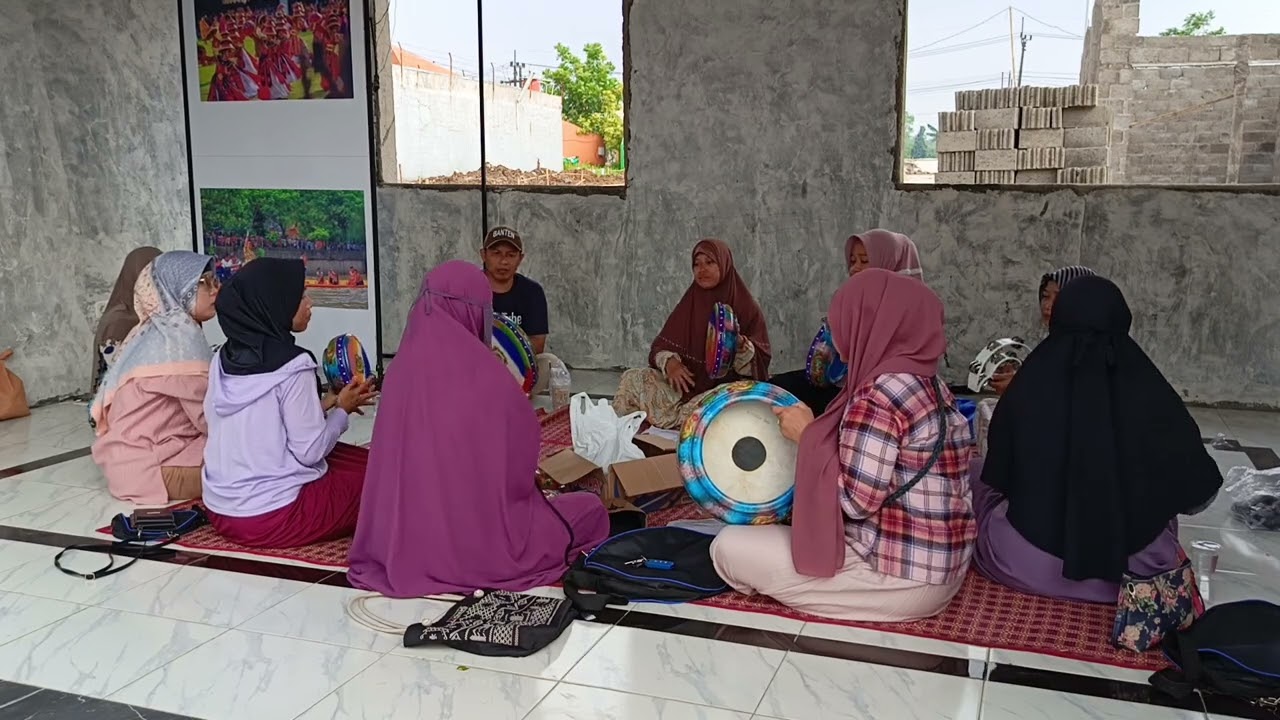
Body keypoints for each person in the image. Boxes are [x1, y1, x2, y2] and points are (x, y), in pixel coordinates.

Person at [710, 269, 974, 622]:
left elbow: (854, 502)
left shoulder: (877, 395)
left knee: (729, 547)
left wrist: (807, 437)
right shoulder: (930, 383)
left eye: (841, 322)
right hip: (945, 569)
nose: (833, 336)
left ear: (870, 324)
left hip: (898, 580)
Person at [348, 261, 609, 596]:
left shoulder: (398, 371)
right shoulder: (488, 378)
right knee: (590, 509)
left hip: (401, 543)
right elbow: (518, 471)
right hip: (480, 547)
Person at [972, 276, 1222, 603]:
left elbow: (1000, 472)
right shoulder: (1151, 390)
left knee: (975, 476)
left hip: (1026, 563)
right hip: (1136, 574)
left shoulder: (1029, 384)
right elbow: (1196, 492)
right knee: (1164, 511)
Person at [202, 258, 377, 548]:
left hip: (221, 510)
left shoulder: (222, 358)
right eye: (299, 297)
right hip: (274, 516)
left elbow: (263, 424)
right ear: (275, 305)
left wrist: (325, 405)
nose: (310, 304)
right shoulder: (295, 365)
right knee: (386, 482)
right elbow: (309, 452)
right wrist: (342, 410)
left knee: (366, 462)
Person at [90, 252, 219, 504]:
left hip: (125, 462)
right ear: (178, 289)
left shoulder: (150, 333)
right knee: (253, 464)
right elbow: (208, 418)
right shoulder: (179, 344)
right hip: (151, 468)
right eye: (205, 283)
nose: (215, 290)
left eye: (215, 281)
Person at [613, 238, 772, 429]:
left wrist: (739, 346)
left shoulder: (746, 307)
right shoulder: (690, 303)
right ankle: (668, 425)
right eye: (696, 264)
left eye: (709, 262)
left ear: (724, 264)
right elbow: (659, 347)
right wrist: (670, 363)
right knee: (633, 378)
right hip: (684, 388)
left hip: (721, 389)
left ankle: (685, 425)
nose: (702, 269)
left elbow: (761, 364)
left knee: (723, 402)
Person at [770, 230, 925, 413]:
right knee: (776, 389)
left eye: (864, 261)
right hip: (843, 384)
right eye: (852, 261)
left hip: (878, 399)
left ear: (889, 264)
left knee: (800, 407)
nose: (855, 268)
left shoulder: (905, 313)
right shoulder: (859, 300)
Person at [987, 265, 1095, 395]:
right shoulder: (1054, 346)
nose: (1047, 305)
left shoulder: (1094, 352)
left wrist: (1022, 387)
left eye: (1059, 298)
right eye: (1045, 296)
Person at [481, 226, 562, 394]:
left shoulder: (532, 291)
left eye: (511, 255)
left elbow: (537, 345)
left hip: (517, 368)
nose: (504, 261)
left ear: (520, 259)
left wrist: (505, 356)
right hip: (477, 366)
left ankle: (518, 400)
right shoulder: (468, 287)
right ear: (483, 255)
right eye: (496, 253)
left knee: (548, 362)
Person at [93, 246, 162, 396]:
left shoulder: (155, 314)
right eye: (151, 276)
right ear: (135, 276)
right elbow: (114, 380)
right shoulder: (117, 322)